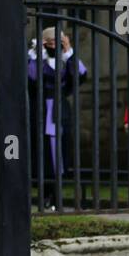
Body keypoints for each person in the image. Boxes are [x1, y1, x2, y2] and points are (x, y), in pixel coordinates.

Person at [28, 26, 88, 209]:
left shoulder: (65, 61)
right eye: (51, 42)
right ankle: (44, 193)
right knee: (42, 153)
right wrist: (37, 53)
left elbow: (81, 74)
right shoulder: (36, 60)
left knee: (60, 154)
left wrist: (68, 50)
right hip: (40, 112)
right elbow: (32, 77)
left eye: (58, 42)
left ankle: (56, 195)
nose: (55, 46)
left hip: (60, 113)